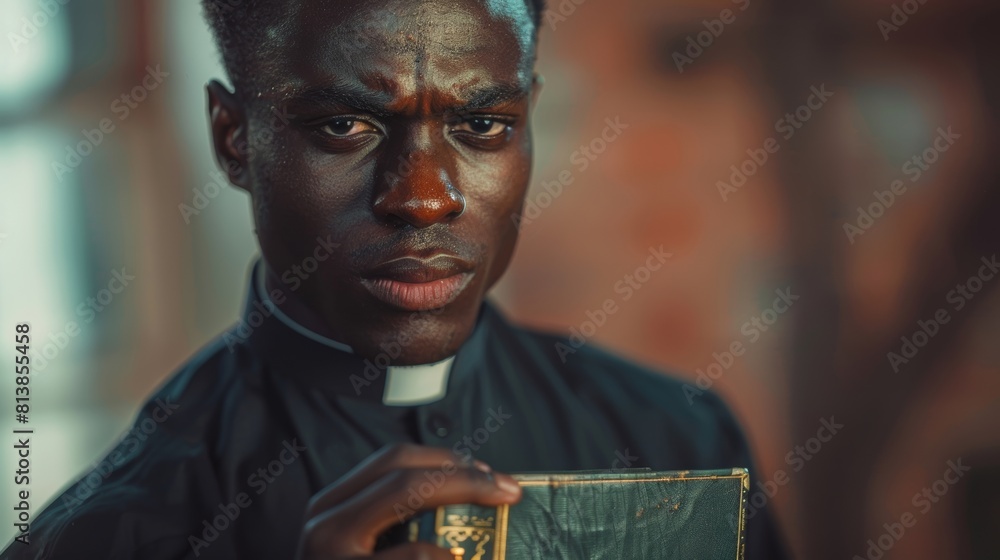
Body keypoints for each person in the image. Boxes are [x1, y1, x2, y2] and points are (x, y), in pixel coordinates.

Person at [2, 0, 789, 558]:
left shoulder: (677, 439)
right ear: (234, 139)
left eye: (482, 125)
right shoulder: (110, 538)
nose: (422, 197)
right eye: (345, 126)